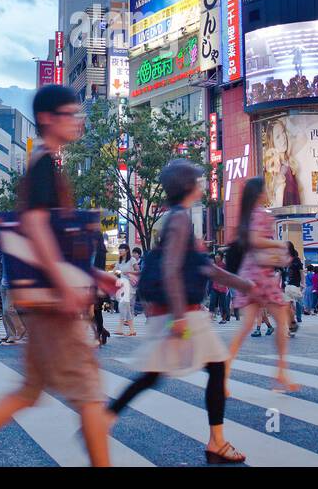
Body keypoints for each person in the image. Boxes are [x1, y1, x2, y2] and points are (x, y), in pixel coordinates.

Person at [0, 85, 119, 467]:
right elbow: (35, 227)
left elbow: (50, 235)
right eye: (71, 113)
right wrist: (67, 283)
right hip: (53, 302)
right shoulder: (45, 164)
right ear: (49, 119)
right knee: (88, 394)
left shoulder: (46, 163)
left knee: (29, 391)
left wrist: (94, 273)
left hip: (41, 298)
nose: (78, 121)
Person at [105, 160, 249, 464]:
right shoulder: (180, 219)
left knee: (156, 374)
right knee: (215, 367)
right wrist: (181, 316)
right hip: (183, 312)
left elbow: (201, 266)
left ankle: (105, 417)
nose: (200, 184)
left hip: (173, 311)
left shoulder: (173, 218)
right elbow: (173, 267)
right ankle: (217, 441)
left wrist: (241, 283)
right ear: (187, 186)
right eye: (197, 180)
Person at [225, 177, 298, 392]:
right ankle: (281, 372)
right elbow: (256, 240)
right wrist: (279, 244)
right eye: (265, 189)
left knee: (246, 326)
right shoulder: (261, 214)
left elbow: (252, 243)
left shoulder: (247, 215)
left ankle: (224, 373)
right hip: (262, 276)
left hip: (250, 274)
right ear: (259, 193)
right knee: (282, 321)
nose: (268, 192)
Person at [115, 244, 138, 336]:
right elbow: (114, 271)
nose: (120, 251)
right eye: (119, 249)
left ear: (127, 250)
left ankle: (120, 328)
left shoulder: (132, 260)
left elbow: (138, 271)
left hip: (130, 286)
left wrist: (129, 272)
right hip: (122, 286)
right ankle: (132, 330)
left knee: (121, 305)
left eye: (122, 249)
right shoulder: (119, 261)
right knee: (127, 309)